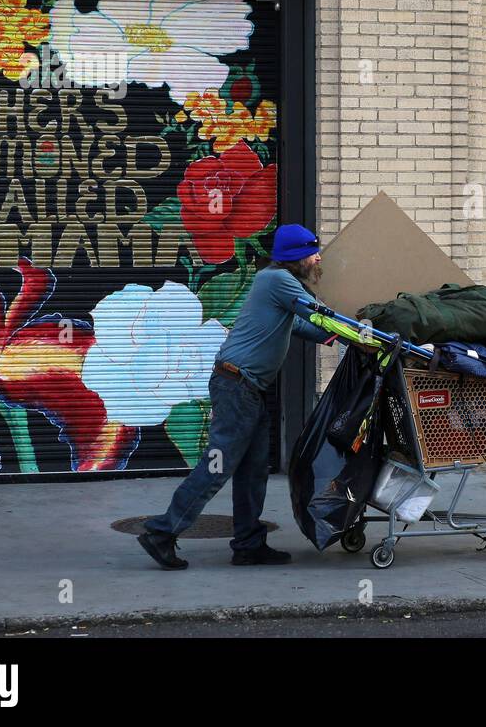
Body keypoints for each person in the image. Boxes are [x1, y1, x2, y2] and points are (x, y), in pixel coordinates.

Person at [137, 223, 337, 570]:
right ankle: (162, 531)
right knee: (218, 466)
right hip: (236, 387)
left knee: (253, 469)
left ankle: (248, 544)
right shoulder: (279, 281)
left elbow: (303, 326)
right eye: (313, 251)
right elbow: (318, 315)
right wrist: (360, 330)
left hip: (246, 389)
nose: (318, 257)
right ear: (297, 256)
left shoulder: (276, 284)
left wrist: (339, 338)